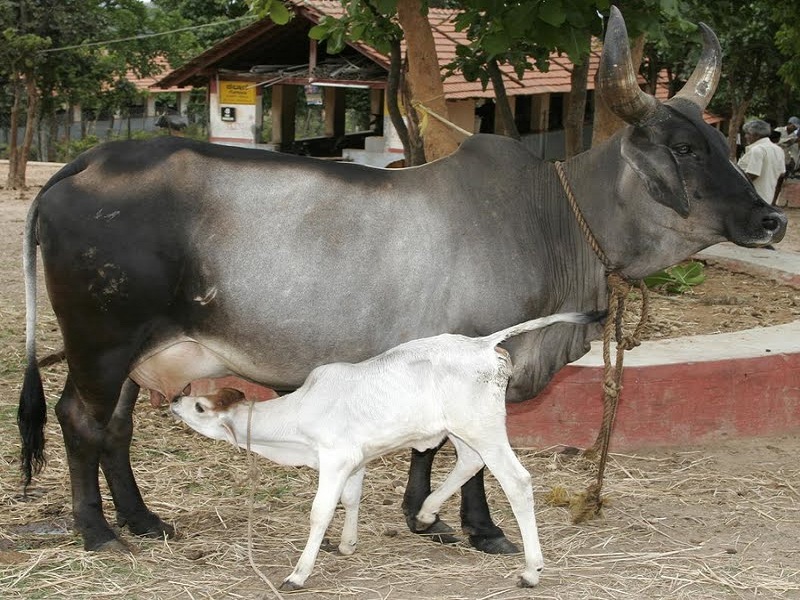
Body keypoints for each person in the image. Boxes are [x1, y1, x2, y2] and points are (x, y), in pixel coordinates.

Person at [738, 119, 786, 205]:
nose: (745, 136)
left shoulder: (757, 150)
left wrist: (735, 187)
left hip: (753, 199)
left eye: (747, 134)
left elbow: (753, 174)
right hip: (768, 199)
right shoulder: (778, 150)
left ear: (756, 135)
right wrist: (774, 200)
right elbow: (781, 175)